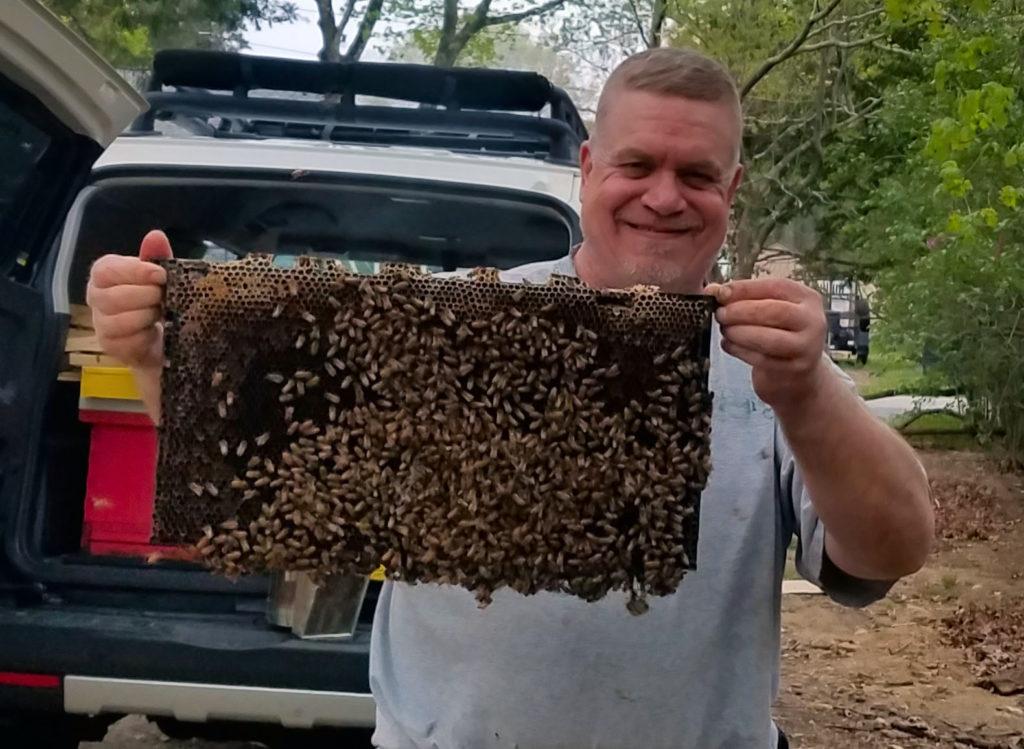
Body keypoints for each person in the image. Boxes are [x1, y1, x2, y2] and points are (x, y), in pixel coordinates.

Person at [87, 47, 933, 749]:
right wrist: (164, 363)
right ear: (590, 167)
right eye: (638, 164)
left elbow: (892, 550)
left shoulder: (776, 360)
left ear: (732, 190)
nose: (665, 196)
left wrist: (809, 393)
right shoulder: (457, 324)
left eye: (697, 174)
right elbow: (281, 492)